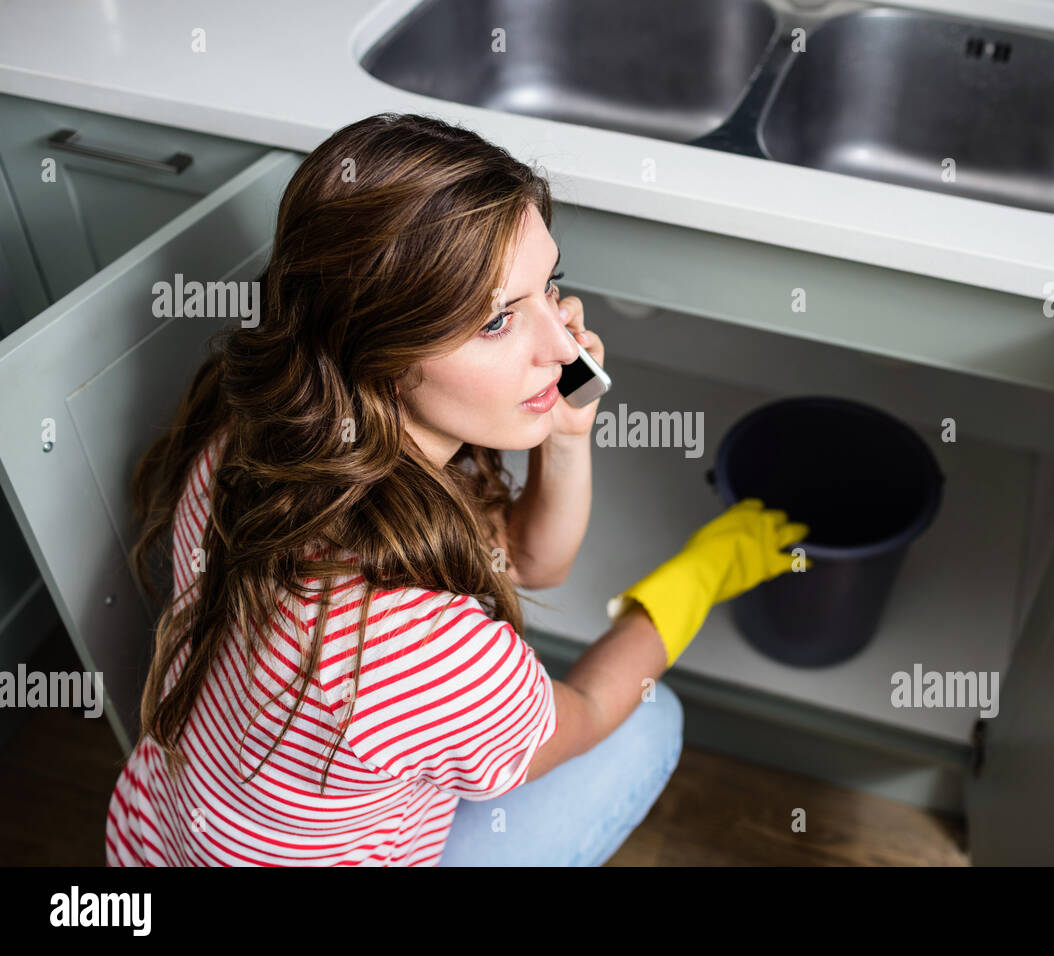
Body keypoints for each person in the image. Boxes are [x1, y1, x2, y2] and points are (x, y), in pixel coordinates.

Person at [104, 113, 807, 866]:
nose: (563, 345)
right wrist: (694, 581)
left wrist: (566, 436)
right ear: (385, 350)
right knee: (650, 715)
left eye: (550, 288)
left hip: (157, 842)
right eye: (498, 321)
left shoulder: (247, 437)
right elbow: (595, 707)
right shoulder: (427, 647)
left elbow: (528, 562)